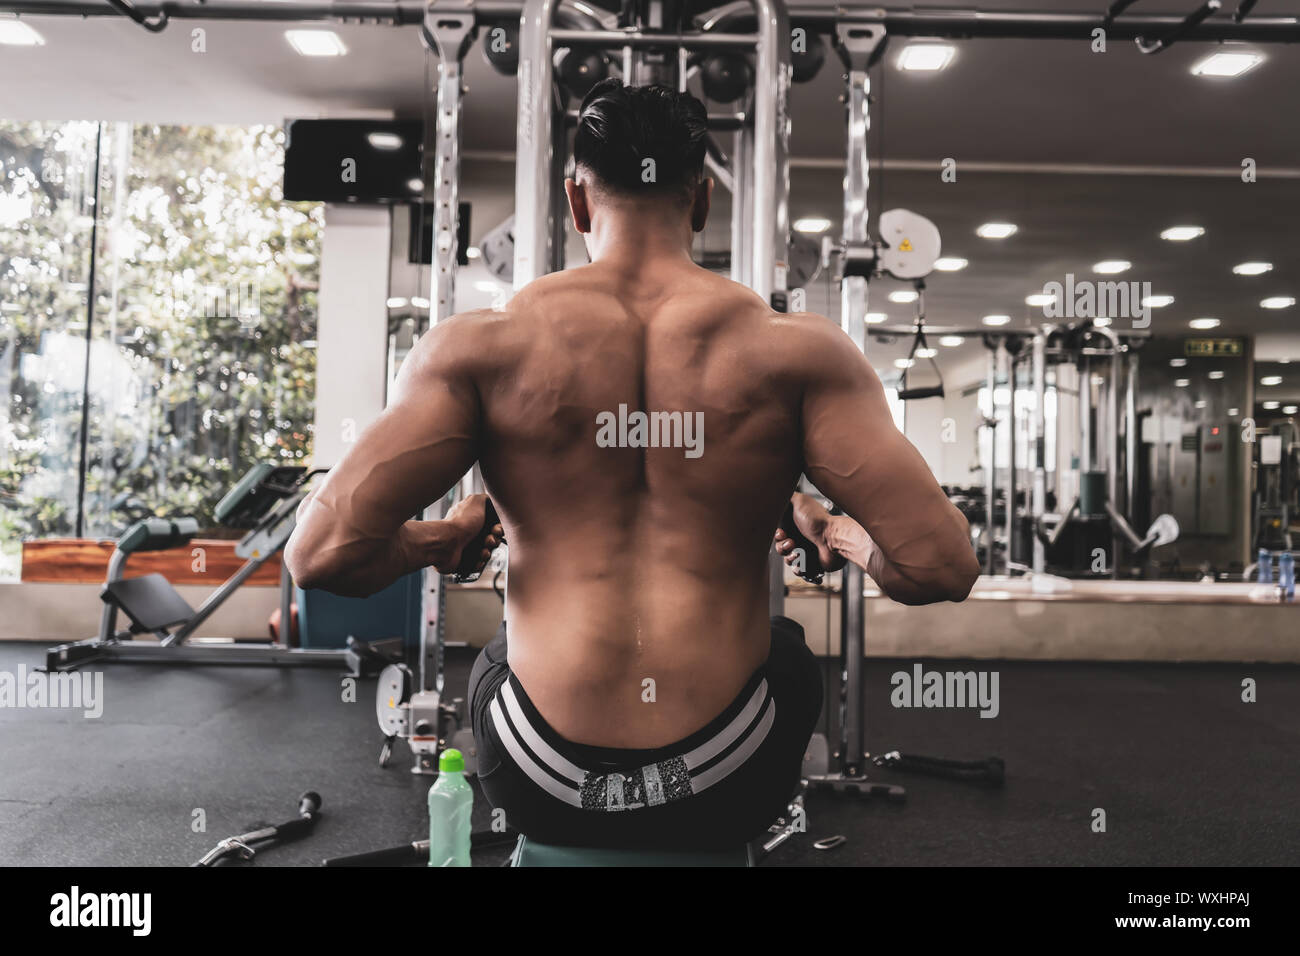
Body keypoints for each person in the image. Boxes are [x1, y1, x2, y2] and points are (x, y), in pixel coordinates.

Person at [285, 79, 979, 849]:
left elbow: (318, 557)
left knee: (496, 659)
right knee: (786, 653)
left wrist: (441, 542)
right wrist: (834, 532)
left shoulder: (480, 347)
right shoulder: (799, 351)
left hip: (543, 775)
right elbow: (940, 568)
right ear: (702, 203)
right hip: (728, 773)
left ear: (577, 203)